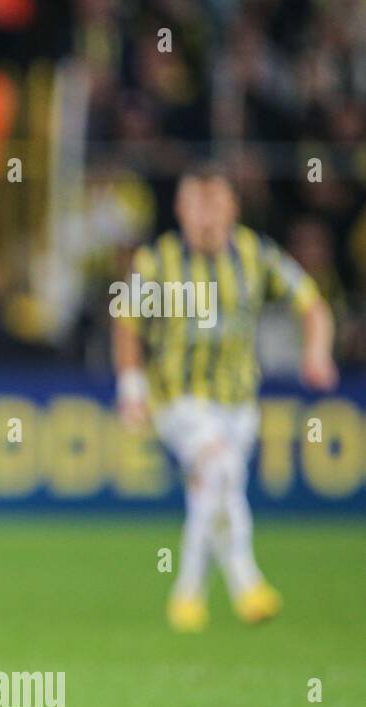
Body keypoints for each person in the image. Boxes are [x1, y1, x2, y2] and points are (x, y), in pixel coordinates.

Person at [113, 164, 338, 632]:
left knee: (213, 488)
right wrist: (131, 386)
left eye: (214, 204)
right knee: (222, 469)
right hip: (179, 399)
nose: (206, 217)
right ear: (179, 210)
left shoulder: (257, 256)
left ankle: (188, 594)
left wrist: (316, 353)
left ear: (233, 207)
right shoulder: (159, 262)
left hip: (240, 403)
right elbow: (127, 322)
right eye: (195, 205)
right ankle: (245, 580)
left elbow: (312, 305)